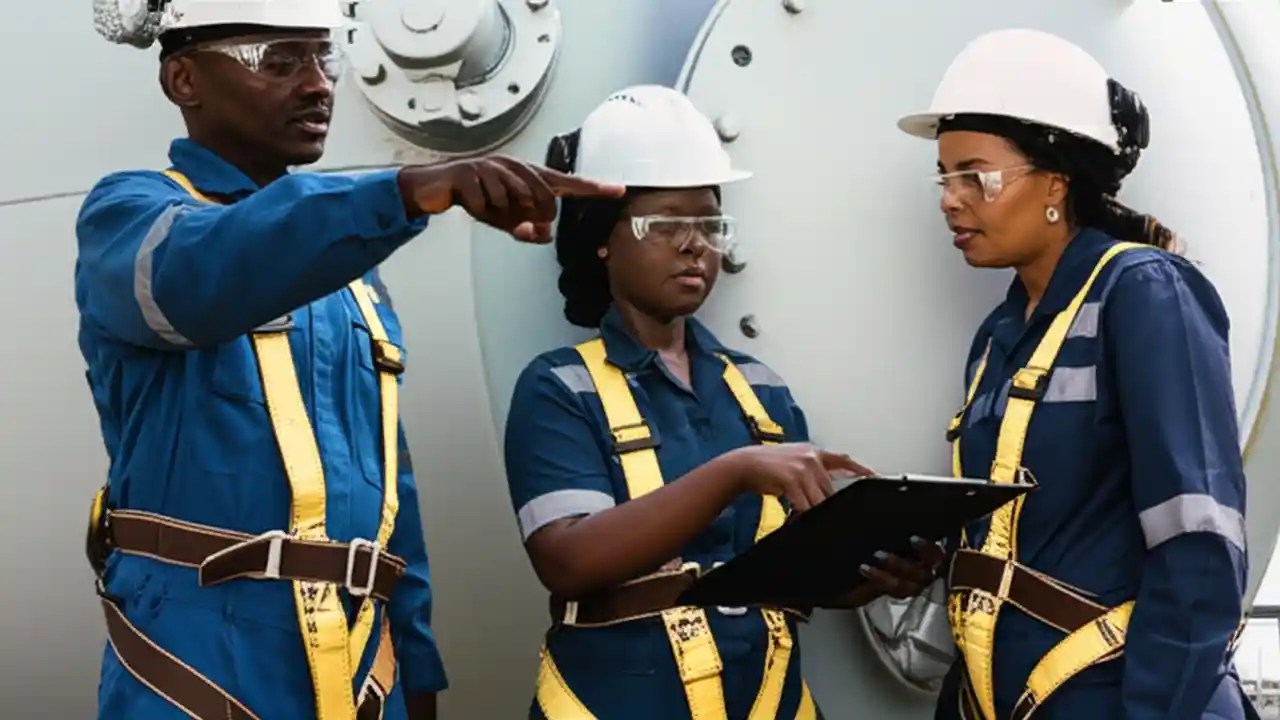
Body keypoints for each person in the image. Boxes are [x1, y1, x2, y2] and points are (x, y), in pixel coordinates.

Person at [77, 1, 624, 719]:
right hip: (197, 661)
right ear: (183, 79)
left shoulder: (352, 278)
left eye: (324, 57)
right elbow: (195, 278)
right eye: (280, 61)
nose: (319, 84)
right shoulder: (131, 215)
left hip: (364, 669)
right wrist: (402, 192)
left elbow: (390, 496)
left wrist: (416, 669)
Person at [500, 84, 945, 720]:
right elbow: (569, 562)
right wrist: (733, 472)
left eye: (710, 223)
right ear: (602, 238)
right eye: (667, 224)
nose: (695, 245)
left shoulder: (759, 389)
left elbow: (787, 568)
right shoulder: (557, 388)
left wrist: (869, 575)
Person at [896, 28, 1255, 720]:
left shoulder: (1146, 294)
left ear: (1056, 181)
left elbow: (1199, 547)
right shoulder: (1001, 336)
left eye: (976, 175)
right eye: (945, 176)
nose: (950, 198)